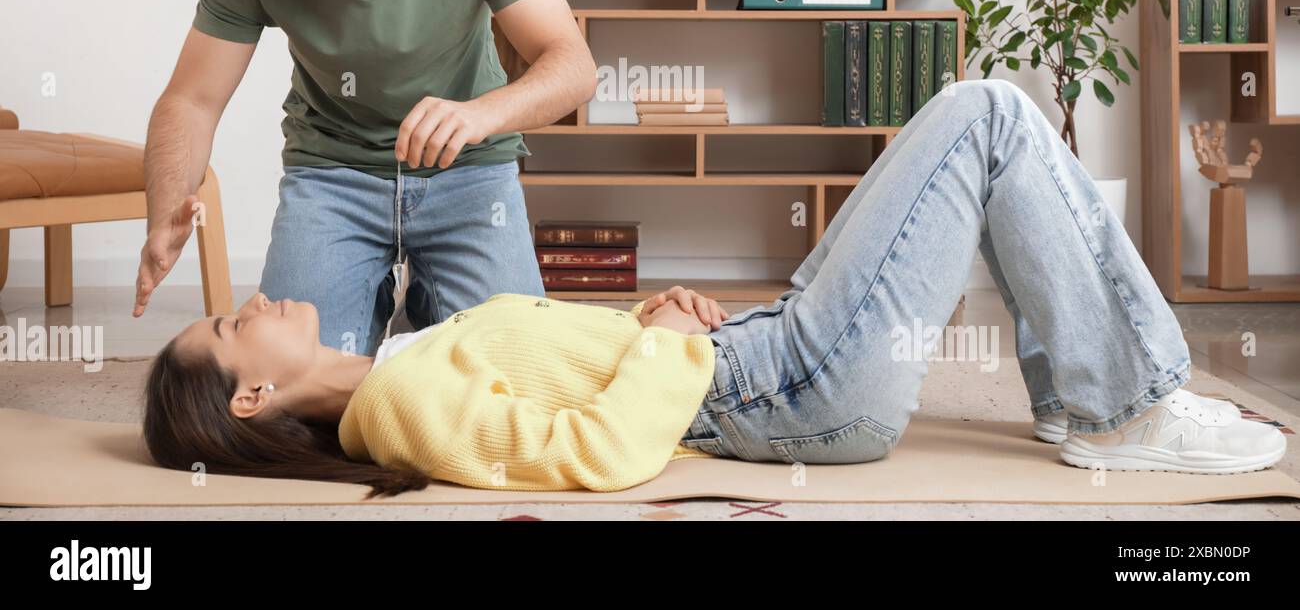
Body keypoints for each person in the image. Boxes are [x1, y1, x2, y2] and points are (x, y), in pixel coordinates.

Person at [141, 79, 1286, 496]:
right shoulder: (396, 411)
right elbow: (594, 455)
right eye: (232, 326)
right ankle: (1123, 404)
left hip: (760, 349)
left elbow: (562, 379)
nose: (251, 302)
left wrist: (647, 318)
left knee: (967, 128)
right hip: (786, 390)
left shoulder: (399, 367)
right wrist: (665, 348)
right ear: (250, 399)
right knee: (981, 116)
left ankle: (1088, 394)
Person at [133, 0, 596, 356]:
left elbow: (573, 66)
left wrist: (481, 113)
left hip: (469, 172)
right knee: (290, 383)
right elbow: (192, 100)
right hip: (334, 175)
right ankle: (408, 319)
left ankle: (427, 316)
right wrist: (163, 212)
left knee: (515, 372)